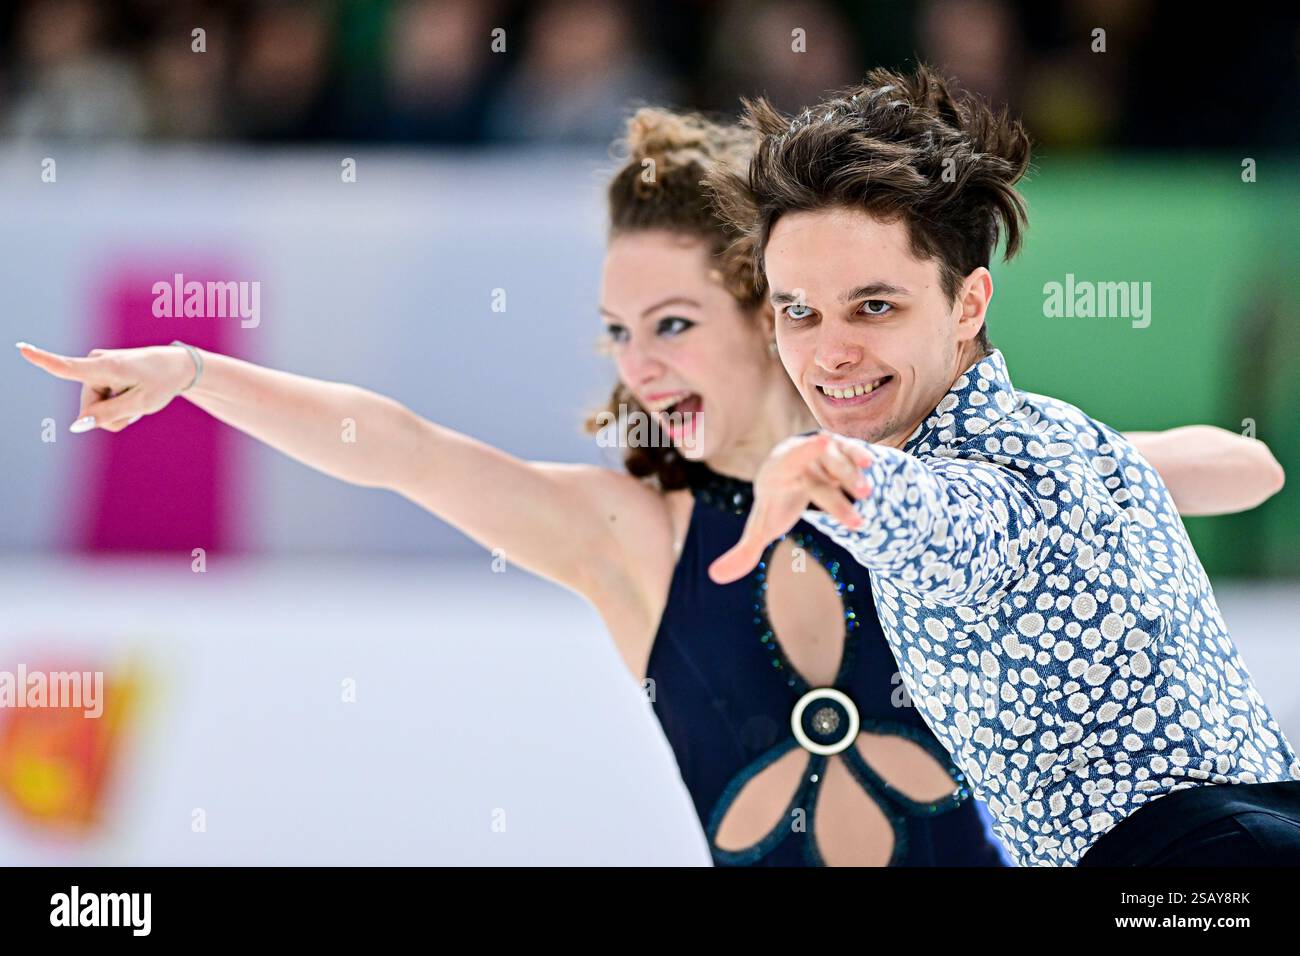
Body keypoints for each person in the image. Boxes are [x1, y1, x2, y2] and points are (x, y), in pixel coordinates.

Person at [16, 107, 1286, 867]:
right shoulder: (633, 535)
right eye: (618, 330)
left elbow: (1227, 465)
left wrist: (1107, 478)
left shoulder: (942, 466)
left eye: (669, 322)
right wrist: (194, 368)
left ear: (758, 312)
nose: (637, 363)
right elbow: (393, 444)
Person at [705, 64, 1300, 866]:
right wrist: (1110, 465)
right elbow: (1251, 468)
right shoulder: (1058, 441)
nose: (830, 351)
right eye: (798, 311)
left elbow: (947, 518)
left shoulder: (975, 485)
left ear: (968, 304)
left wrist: (828, 472)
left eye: (874, 305)